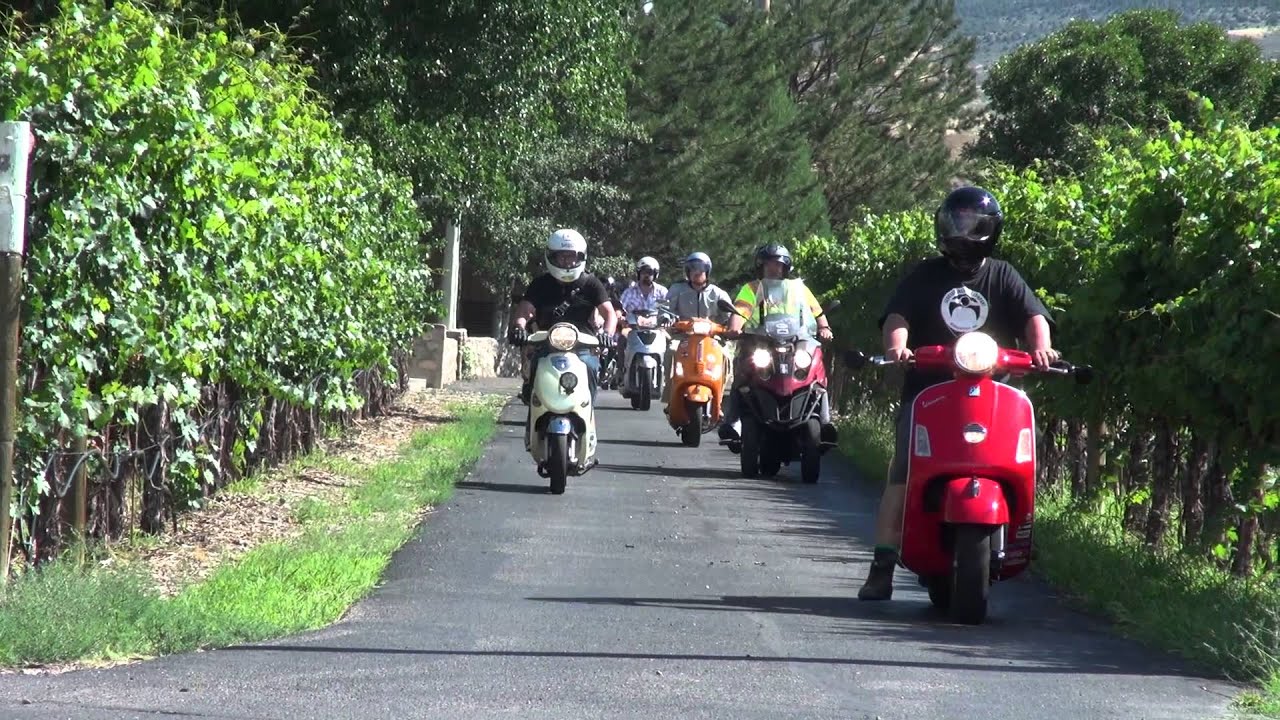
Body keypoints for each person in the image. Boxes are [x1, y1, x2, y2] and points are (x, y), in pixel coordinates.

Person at [856, 185, 1060, 602]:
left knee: (1022, 458)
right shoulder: (925, 275)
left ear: (990, 229)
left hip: (996, 393)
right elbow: (897, 316)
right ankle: (882, 565)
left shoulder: (1003, 275)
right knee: (903, 472)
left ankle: (1022, 531)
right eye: (956, 222)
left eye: (972, 223)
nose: (963, 231)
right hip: (930, 393)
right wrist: (897, 347)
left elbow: (1034, 316)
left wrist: (1042, 347)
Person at [717, 243, 835, 443]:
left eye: (778, 265)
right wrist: (734, 328)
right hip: (759, 340)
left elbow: (816, 310)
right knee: (743, 372)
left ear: (785, 268)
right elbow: (741, 310)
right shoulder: (751, 288)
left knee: (816, 372)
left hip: (795, 341)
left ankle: (825, 423)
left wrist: (824, 327)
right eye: (769, 264)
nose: (774, 268)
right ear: (761, 266)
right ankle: (733, 422)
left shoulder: (798, 288)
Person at [508, 229, 618, 403]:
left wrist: (607, 334)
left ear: (580, 257)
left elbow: (609, 313)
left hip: (582, 346)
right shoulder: (540, 284)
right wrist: (519, 328)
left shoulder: (591, 284)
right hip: (546, 344)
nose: (567, 261)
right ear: (552, 257)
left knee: (590, 367)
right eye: (562, 256)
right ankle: (535, 412)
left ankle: (587, 409)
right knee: (535, 371)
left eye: (572, 256)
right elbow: (524, 310)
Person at [661, 252, 734, 404]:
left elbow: (729, 315)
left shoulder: (718, 293)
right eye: (692, 268)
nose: (696, 272)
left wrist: (730, 325)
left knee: (725, 355)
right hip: (683, 336)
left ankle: (719, 398)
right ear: (687, 272)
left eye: (700, 268)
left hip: (712, 338)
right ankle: (670, 396)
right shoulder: (677, 289)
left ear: (707, 271)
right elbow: (666, 309)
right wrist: (666, 318)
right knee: (671, 351)